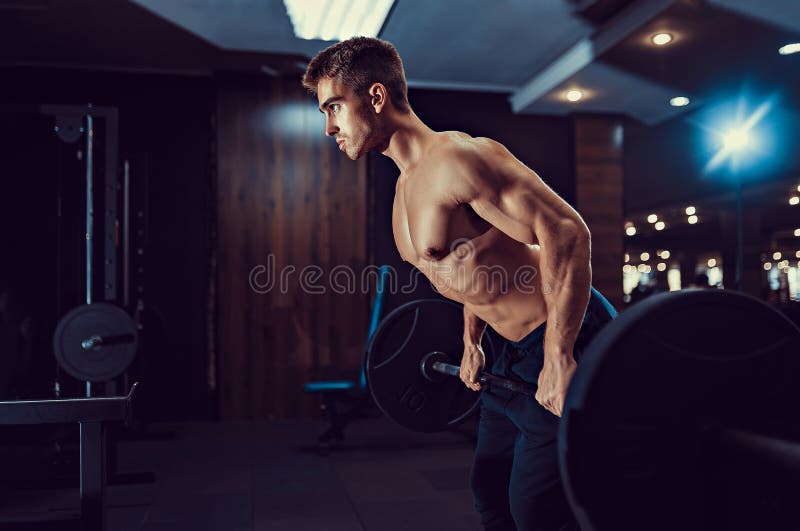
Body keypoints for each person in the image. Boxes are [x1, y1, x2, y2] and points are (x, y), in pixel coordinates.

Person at [302, 37, 617, 531]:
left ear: (377, 97)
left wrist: (560, 355)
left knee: (536, 511)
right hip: (503, 351)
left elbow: (566, 233)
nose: (329, 128)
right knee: (489, 494)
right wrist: (471, 340)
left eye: (334, 107)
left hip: (558, 336)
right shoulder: (405, 185)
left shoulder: (458, 158)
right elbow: (471, 267)